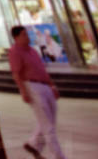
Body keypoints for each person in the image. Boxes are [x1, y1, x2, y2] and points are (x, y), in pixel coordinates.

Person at [9, 25, 66, 159]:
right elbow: (16, 74)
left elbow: (42, 70)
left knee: (50, 120)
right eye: (23, 34)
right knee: (47, 125)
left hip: (45, 86)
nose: (27, 36)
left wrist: (52, 86)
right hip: (32, 86)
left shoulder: (33, 51)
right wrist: (23, 91)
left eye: (27, 34)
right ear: (16, 37)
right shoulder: (15, 52)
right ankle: (58, 156)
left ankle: (34, 144)